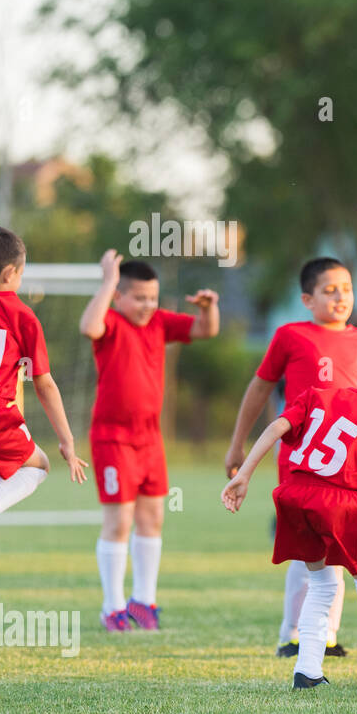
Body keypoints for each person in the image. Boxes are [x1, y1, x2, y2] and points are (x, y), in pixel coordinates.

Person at [222, 355, 357, 688]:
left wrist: (244, 474)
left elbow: (276, 427)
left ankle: (307, 670)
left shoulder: (321, 394)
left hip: (294, 496)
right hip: (337, 502)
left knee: (322, 585)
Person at [225, 257, 357, 658]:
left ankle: (327, 635)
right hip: (297, 460)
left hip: (348, 463)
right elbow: (259, 390)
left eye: (346, 288)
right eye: (329, 290)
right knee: (307, 547)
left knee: (342, 545)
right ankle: (292, 634)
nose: (340, 297)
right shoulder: (290, 336)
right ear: (307, 299)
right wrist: (237, 444)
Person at [79, 252, 219, 630]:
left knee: (152, 518)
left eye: (152, 298)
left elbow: (206, 331)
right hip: (113, 439)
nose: (147, 305)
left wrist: (209, 308)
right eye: (138, 298)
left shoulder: (159, 323)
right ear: (120, 297)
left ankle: (144, 602)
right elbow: (88, 325)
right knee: (119, 521)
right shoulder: (108, 320)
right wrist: (108, 280)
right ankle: (112, 607)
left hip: (150, 439)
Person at [0, 225, 89, 559]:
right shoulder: (21, 315)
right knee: (36, 466)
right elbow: (44, 383)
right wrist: (67, 441)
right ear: (10, 274)